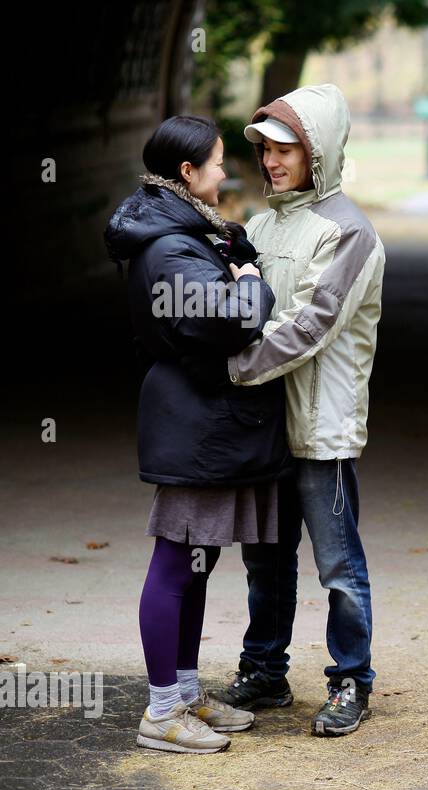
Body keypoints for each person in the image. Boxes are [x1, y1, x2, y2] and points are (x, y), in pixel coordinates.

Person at [104, 115, 289, 753]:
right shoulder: (170, 248)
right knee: (176, 565)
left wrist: (238, 269)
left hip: (206, 421)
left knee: (196, 562)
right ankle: (161, 711)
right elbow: (235, 320)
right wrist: (251, 283)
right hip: (194, 426)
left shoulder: (185, 231)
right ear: (186, 172)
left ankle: (184, 694)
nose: (225, 172)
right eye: (216, 162)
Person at [206, 84, 386, 737]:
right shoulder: (259, 223)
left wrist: (228, 367)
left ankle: (350, 682)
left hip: (321, 428)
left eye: (287, 149)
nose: (273, 161)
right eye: (265, 150)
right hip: (265, 426)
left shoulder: (351, 233)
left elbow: (310, 326)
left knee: (337, 563)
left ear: (318, 151)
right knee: (266, 558)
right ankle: (265, 673)